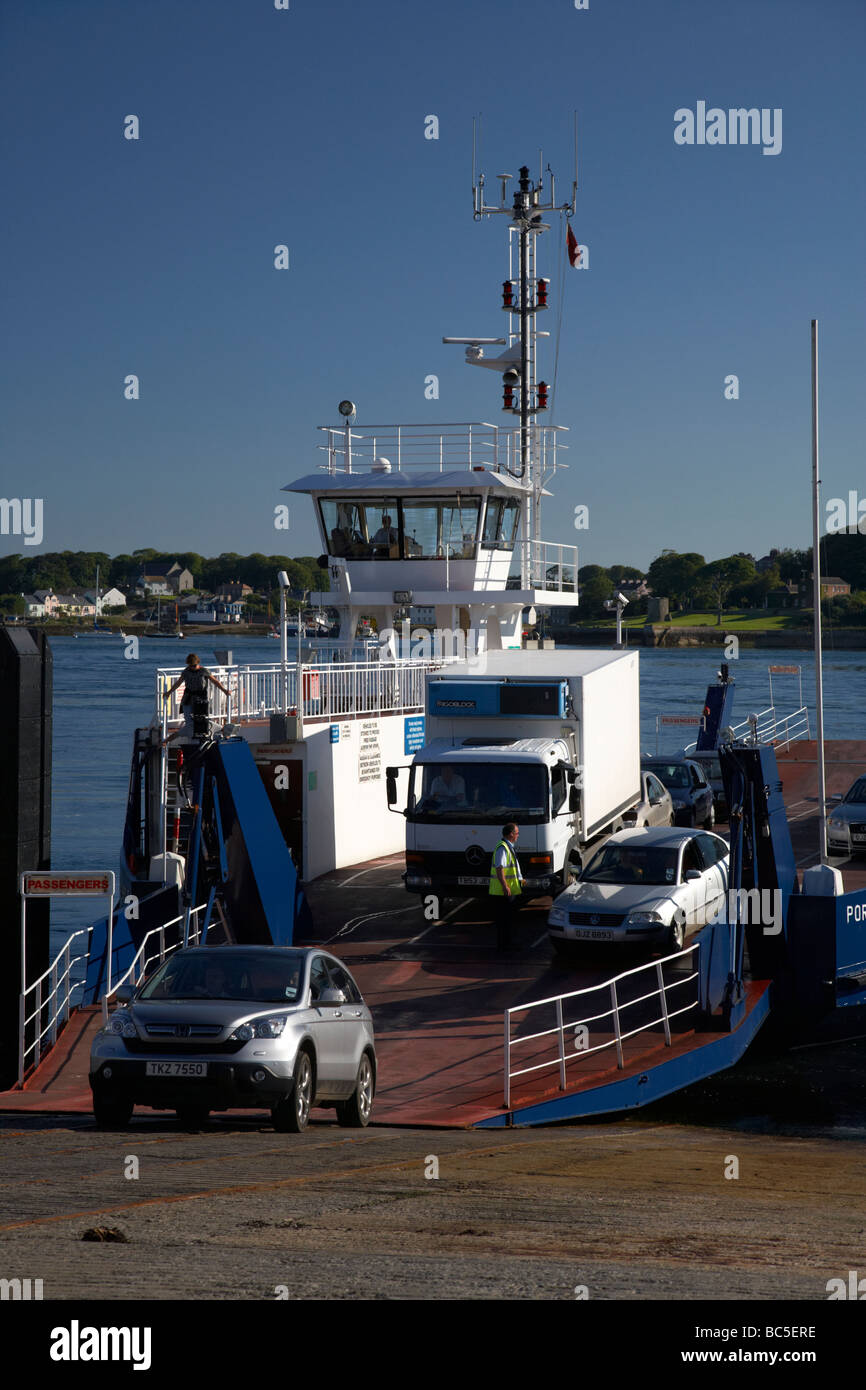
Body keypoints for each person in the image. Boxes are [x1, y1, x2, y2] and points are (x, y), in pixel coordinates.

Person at [163, 653, 229, 744]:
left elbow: (215, 681)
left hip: (200, 698)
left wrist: (224, 690)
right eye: (190, 666)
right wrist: (169, 692)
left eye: (194, 665)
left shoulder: (204, 671)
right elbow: (178, 683)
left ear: (198, 663)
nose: (192, 668)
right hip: (188, 696)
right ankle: (191, 735)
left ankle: (202, 734)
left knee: (201, 718)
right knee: (188, 718)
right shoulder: (186, 671)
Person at [488, 821, 524, 951]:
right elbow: (499, 868)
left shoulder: (508, 846)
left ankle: (508, 943)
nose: (518, 835)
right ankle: (504, 946)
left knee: (508, 920)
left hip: (508, 890)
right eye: (517, 833)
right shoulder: (502, 848)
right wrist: (505, 886)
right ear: (511, 834)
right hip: (502, 892)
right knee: (504, 920)